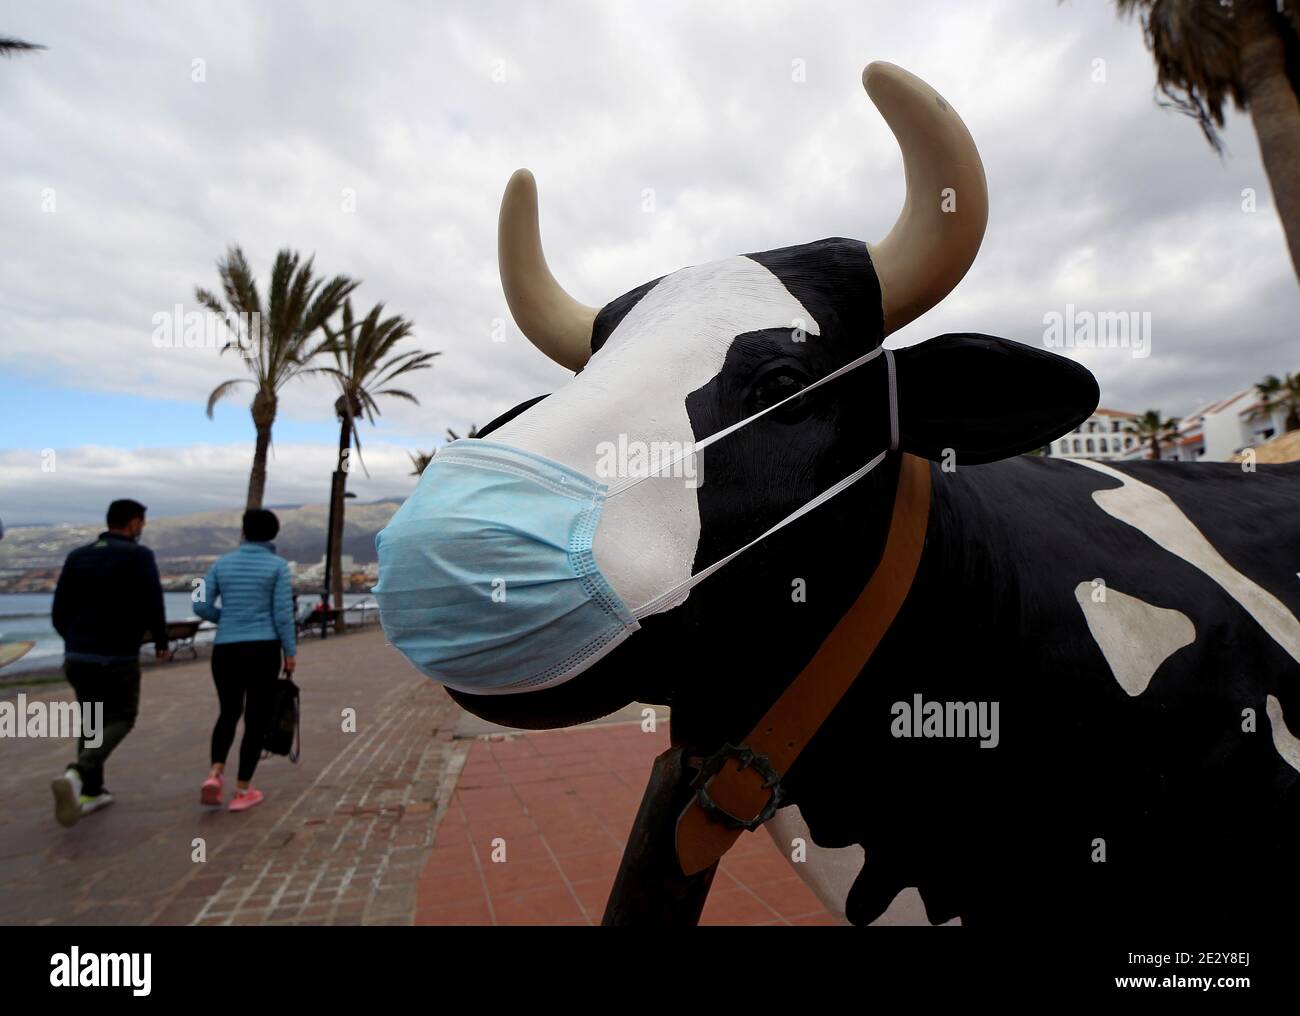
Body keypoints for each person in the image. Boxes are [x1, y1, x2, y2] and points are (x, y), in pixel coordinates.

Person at [50, 498, 170, 827]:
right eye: (141, 523)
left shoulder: (78, 556)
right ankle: (77, 773)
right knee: (122, 718)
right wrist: (160, 639)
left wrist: (74, 640)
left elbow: (59, 610)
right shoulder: (139, 556)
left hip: (78, 656)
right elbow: (152, 600)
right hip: (117, 655)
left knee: (91, 719)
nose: (142, 529)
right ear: (133, 523)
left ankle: (91, 791)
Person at [193, 508, 296, 812]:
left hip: (226, 649)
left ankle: (214, 774)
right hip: (263, 650)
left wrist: (224, 618)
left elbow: (199, 603)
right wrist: (290, 653)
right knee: (256, 719)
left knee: (228, 712)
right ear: (273, 534)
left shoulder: (222, 564)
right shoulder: (277, 566)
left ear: (244, 531)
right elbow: (282, 614)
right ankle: (242, 790)